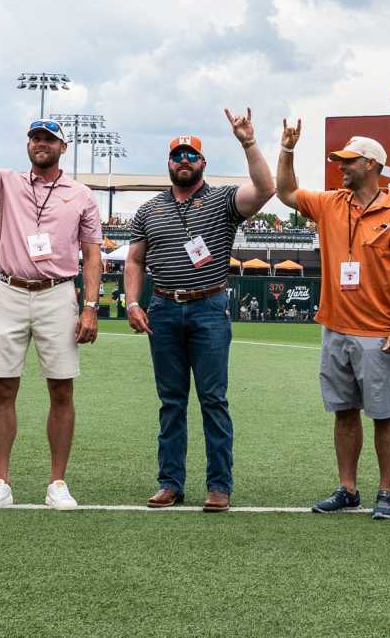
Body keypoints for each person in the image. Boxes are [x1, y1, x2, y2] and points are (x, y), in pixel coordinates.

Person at [0, 77, 102, 511]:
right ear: (28, 145)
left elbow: (92, 255)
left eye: (48, 138)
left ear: (62, 147)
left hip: (58, 293)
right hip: (11, 290)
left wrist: (91, 307)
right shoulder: (6, 182)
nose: (41, 144)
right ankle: (1, 481)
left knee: (61, 389)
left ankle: (57, 482)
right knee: (3, 388)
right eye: (35, 137)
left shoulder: (81, 195)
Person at [123, 112, 274, 512]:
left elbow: (266, 188)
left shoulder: (224, 200)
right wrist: (133, 302)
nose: (184, 161)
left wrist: (248, 142)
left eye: (191, 155)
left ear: (203, 163)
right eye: (177, 156)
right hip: (164, 309)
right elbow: (134, 261)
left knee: (213, 400)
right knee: (171, 402)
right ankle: (170, 483)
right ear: (168, 164)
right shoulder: (149, 209)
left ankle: (219, 486)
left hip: (209, 305)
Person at [275, 125, 390, 521]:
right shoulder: (330, 203)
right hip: (335, 328)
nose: (340, 167)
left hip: (378, 333)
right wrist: (287, 150)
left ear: (371, 164)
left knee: (384, 414)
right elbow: (286, 192)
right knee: (343, 411)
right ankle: (348, 488)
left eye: (348, 161)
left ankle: (387, 492)